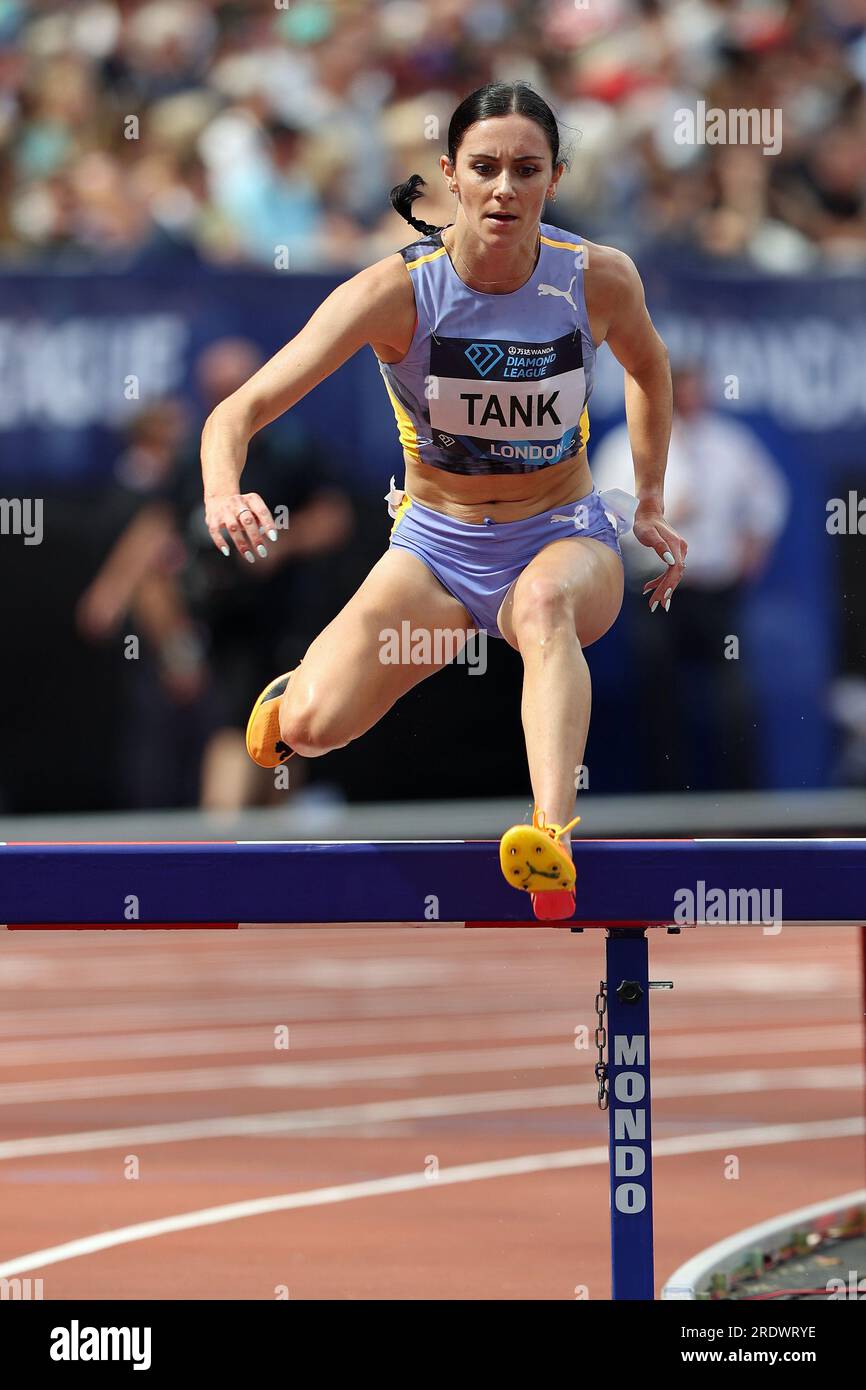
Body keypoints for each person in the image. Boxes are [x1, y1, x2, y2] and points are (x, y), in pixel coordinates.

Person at [200, 81, 686, 919]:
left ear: (554, 180)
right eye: (486, 168)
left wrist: (646, 497)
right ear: (449, 175)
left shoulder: (596, 279)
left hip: (563, 532)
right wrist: (221, 488)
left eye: (526, 170)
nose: (505, 189)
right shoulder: (396, 293)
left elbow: (650, 368)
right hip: (437, 549)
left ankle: (550, 834)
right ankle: (297, 690)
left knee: (542, 607)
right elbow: (236, 411)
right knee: (314, 731)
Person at [591, 364, 790, 790]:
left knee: (733, 699)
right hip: (656, 594)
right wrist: (657, 518)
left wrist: (753, 549)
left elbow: (768, 499)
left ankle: (743, 804)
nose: (690, 399)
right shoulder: (623, 447)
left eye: (697, 389)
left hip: (715, 592)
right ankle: (667, 803)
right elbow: (603, 517)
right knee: (658, 698)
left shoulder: (731, 444)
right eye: (679, 390)